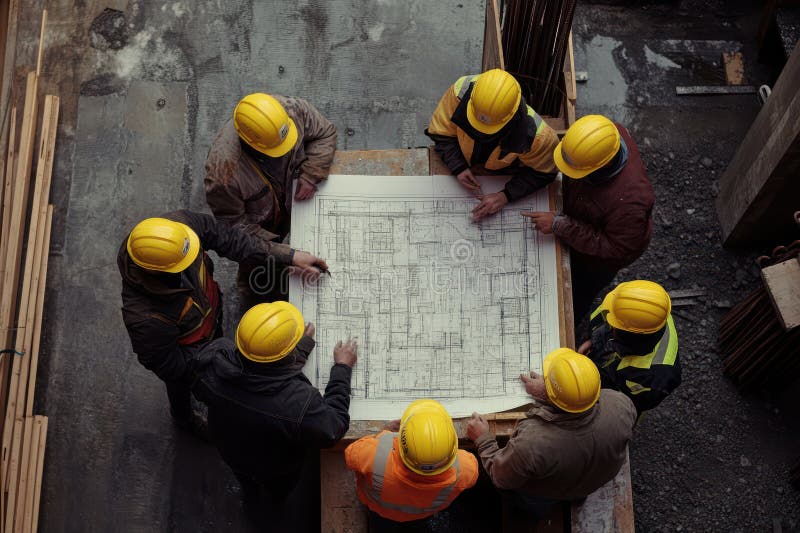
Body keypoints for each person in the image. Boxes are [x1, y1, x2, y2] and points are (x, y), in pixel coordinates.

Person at [118, 211, 327, 434]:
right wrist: (220, 368)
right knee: (182, 388)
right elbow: (172, 367)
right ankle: (184, 420)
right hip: (190, 350)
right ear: (159, 272)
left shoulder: (178, 230)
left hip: (210, 317)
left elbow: (228, 238)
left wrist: (287, 255)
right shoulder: (145, 317)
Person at [192, 301, 356, 521]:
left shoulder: (214, 357)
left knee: (246, 480)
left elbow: (260, 372)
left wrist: (297, 351)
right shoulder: (298, 403)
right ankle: (274, 506)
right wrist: (342, 369)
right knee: (277, 490)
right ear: (284, 355)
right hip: (277, 466)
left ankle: (251, 497)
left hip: (230, 449)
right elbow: (333, 427)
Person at [467, 348, 636, 519]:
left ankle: (534, 513)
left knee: (532, 502)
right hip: (595, 479)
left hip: (546, 493)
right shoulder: (620, 403)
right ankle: (576, 497)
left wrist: (484, 440)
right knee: (576, 487)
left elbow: (500, 477)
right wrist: (551, 394)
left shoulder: (532, 444)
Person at [523, 114, 654, 326]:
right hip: (583, 212)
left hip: (598, 261)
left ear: (597, 169)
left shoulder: (630, 203)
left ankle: (571, 319)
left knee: (578, 290)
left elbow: (616, 247)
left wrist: (560, 225)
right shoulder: (604, 134)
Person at [205, 93, 337, 298]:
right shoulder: (224, 174)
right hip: (261, 225)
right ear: (251, 146)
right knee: (256, 269)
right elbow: (235, 232)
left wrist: (312, 173)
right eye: (277, 149)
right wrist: (285, 253)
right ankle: (253, 295)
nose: (285, 151)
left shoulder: (290, 111)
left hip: (295, 200)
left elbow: (325, 133)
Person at [425, 69, 559, 221]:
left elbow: (544, 173)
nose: (480, 133)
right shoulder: (459, 92)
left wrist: (505, 195)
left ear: (511, 117)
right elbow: (440, 132)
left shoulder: (539, 137)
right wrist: (458, 166)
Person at [345, 399, 479, 526]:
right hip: (422, 513)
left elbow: (350, 454)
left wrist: (385, 433)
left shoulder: (373, 456)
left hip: (377, 508)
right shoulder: (466, 469)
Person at [578, 280, 681, 415]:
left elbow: (629, 407)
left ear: (624, 336)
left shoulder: (658, 378)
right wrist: (593, 340)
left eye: (613, 326)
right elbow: (604, 319)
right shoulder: (637, 307)